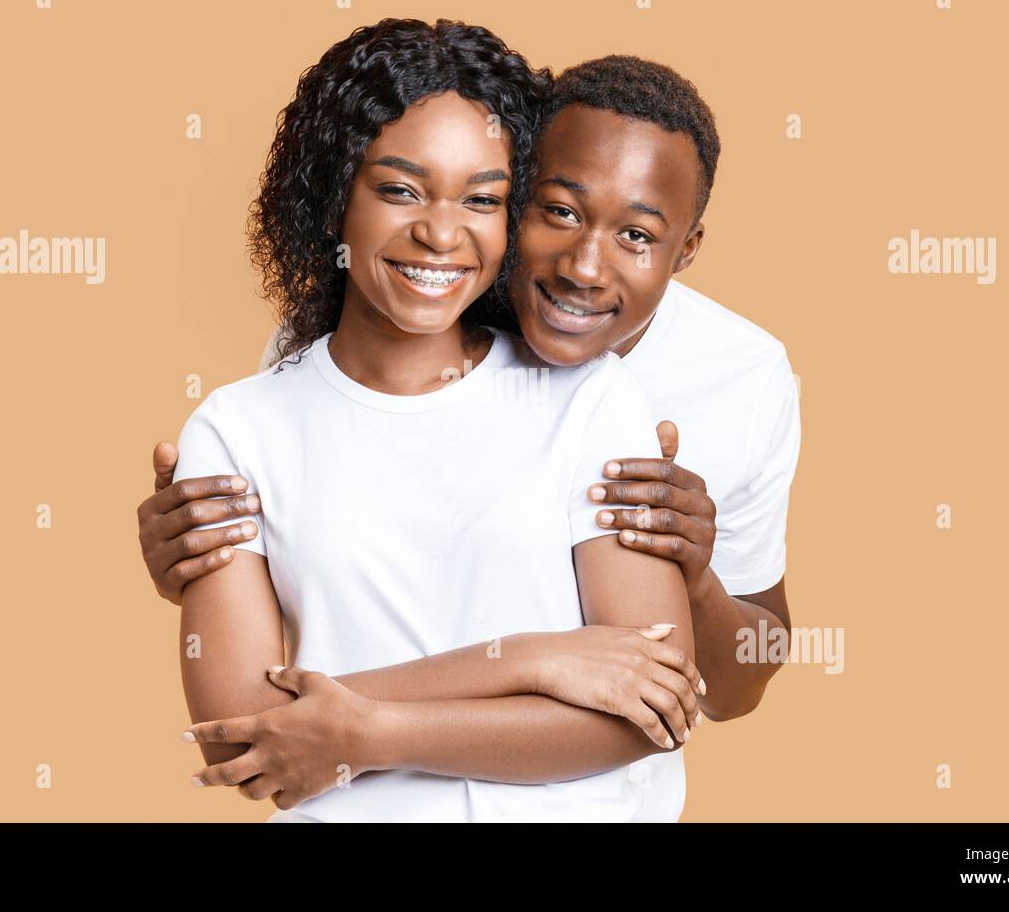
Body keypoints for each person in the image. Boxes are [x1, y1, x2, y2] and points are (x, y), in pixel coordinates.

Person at [142, 53, 801, 737]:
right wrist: (208, 568)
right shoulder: (384, 320)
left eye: (636, 235)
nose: (582, 267)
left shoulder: (741, 376)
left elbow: (736, 686)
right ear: (515, 198)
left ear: (686, 248)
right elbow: (317, 586)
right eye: (559, 211)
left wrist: (692, 577)